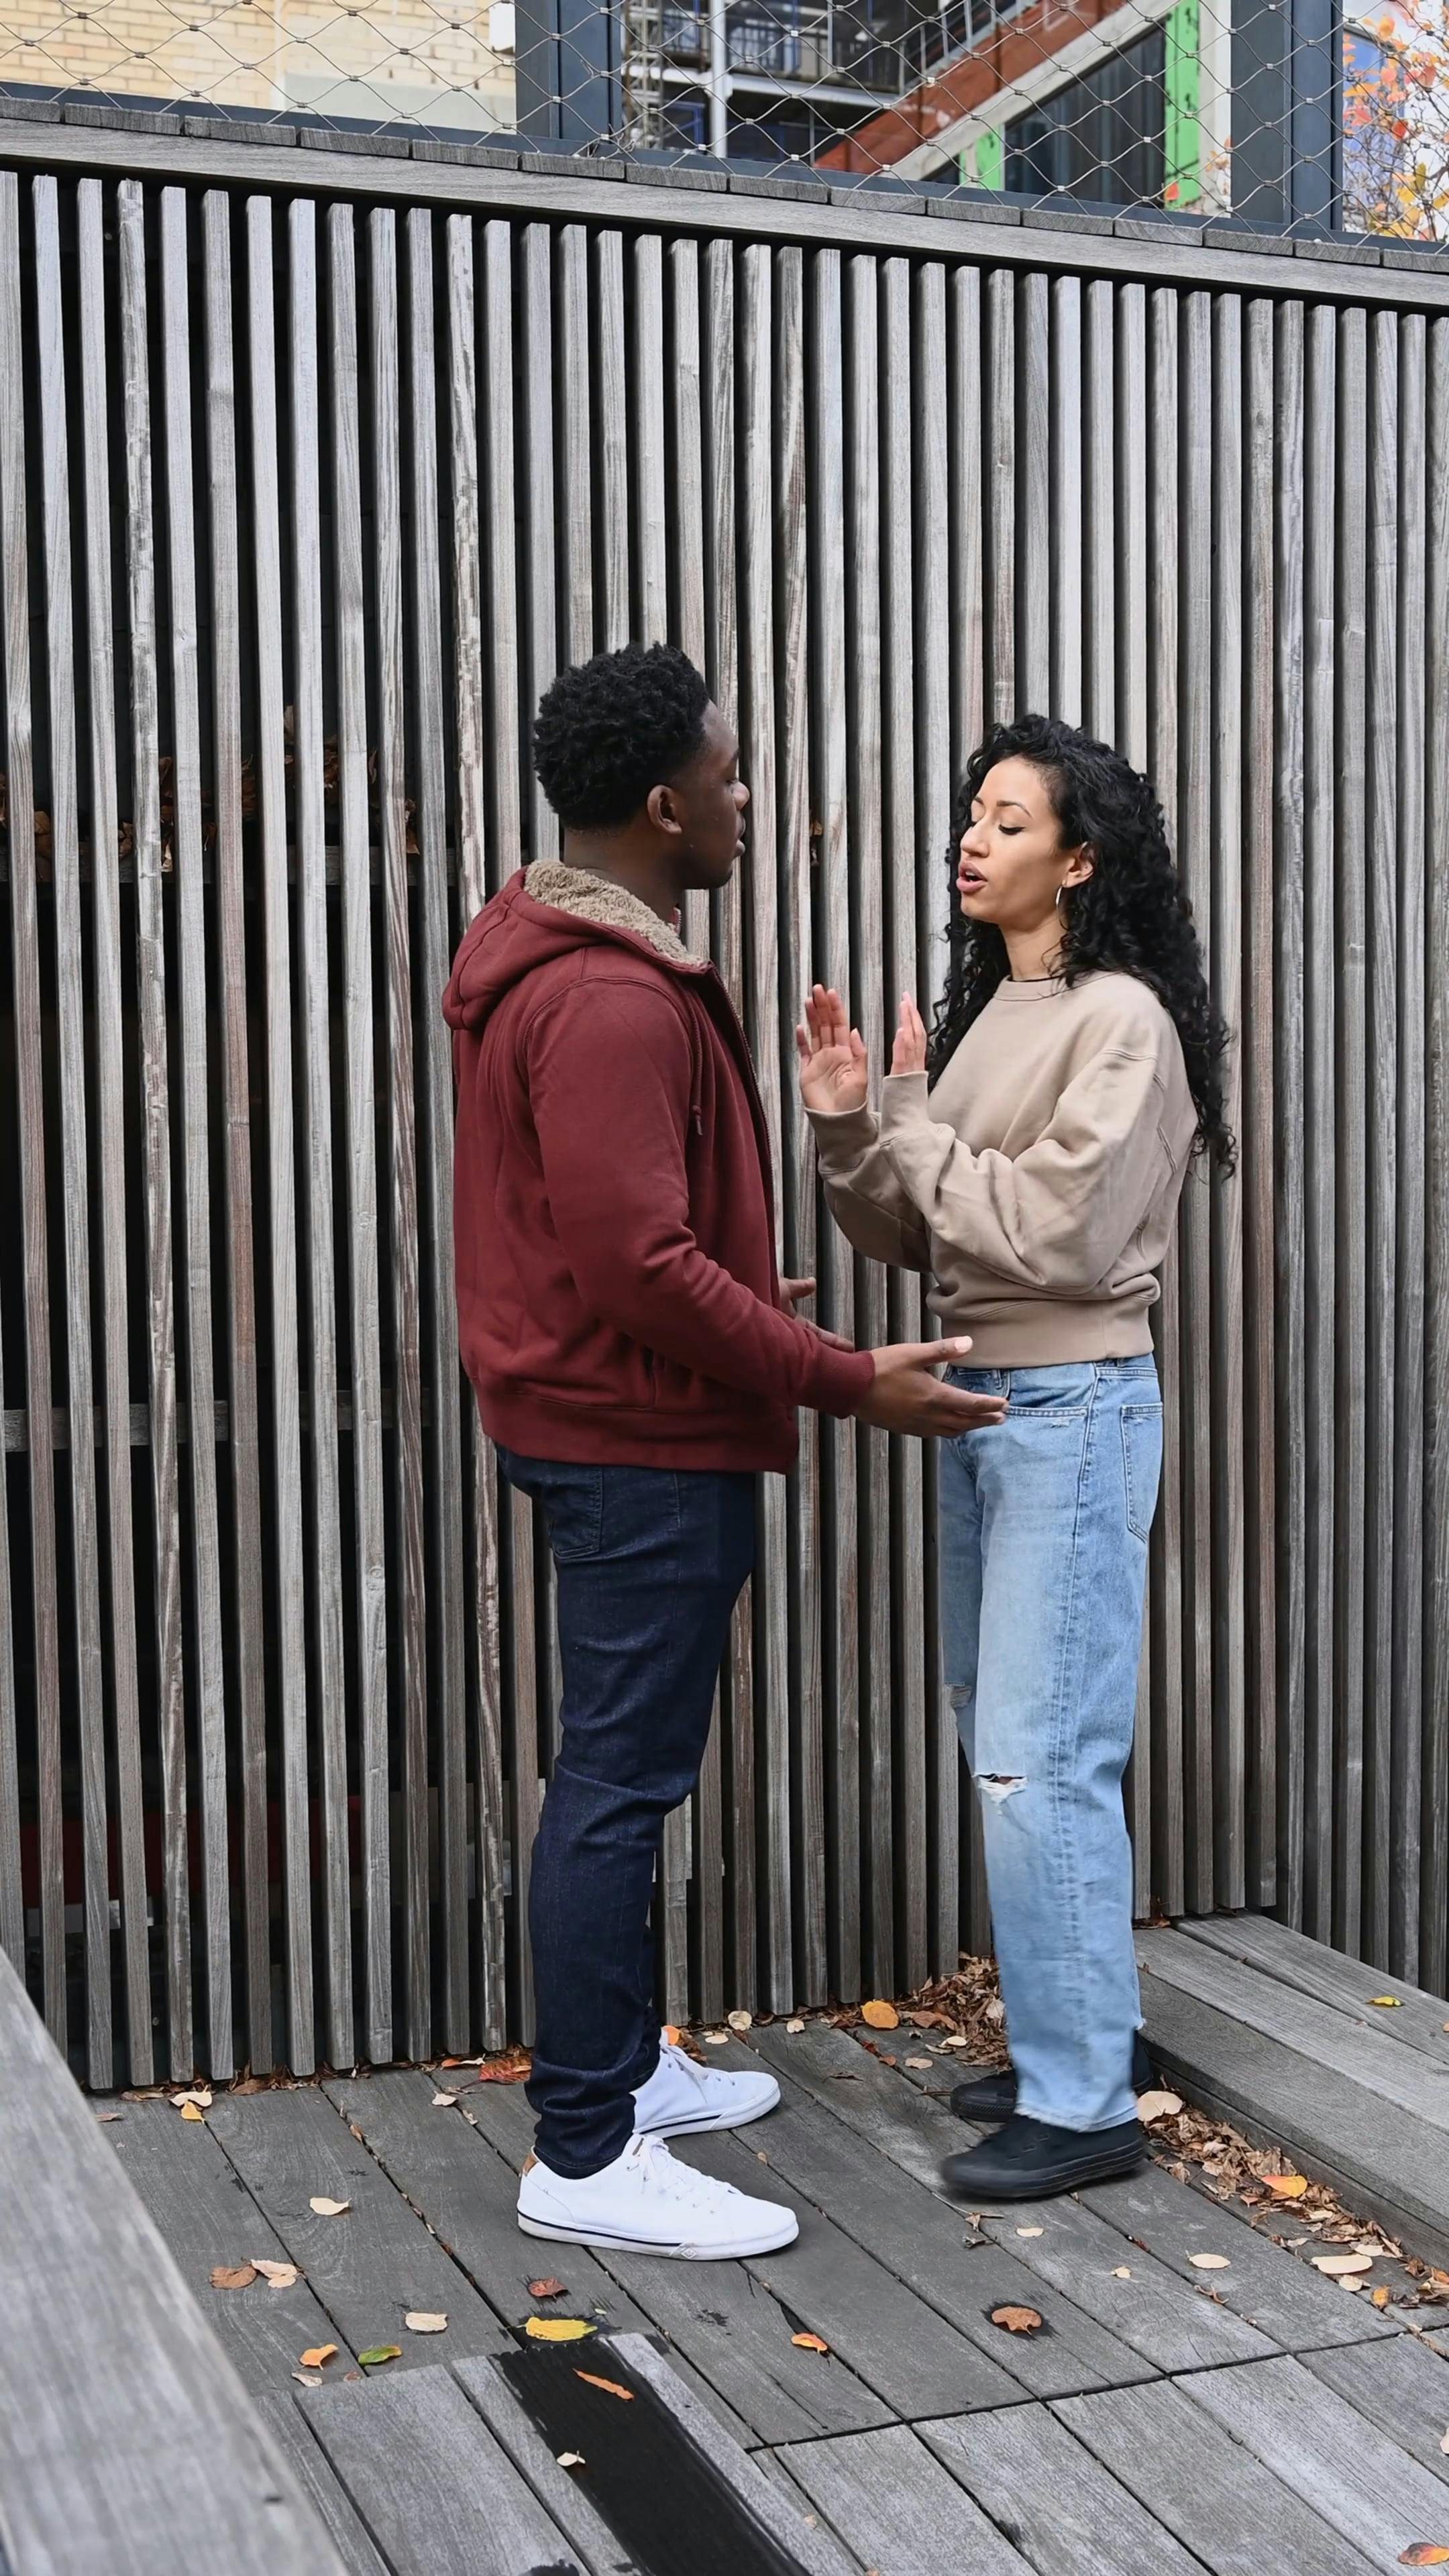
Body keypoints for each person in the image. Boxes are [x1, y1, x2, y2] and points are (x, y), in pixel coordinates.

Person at [444, 641, 1006, 2259]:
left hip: (624, 1418)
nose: (749, 802)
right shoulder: (611, 993)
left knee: (628, 1767)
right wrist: (838, 1374)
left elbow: (609, 1243)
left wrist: (745, 1304)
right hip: (635, 1445)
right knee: (617, 1779)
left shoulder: (558, 958)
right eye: (733, 776)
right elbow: (632, 1263)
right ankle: (582, 2146)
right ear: (664, 800)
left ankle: (623, 2073)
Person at [798, 713, 1232, 2203]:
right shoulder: (990, 1015)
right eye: (969, 817)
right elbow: (922, 1233)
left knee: (1038, 1758)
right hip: (984, 1410)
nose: (971, 839)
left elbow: (1056, 1234)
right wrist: (859, 1127)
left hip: (1074, 1413)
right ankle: (1083, 2035)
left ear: (1081, 855)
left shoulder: (1125, 1021)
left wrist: (911, 1132)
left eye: (1007, 819)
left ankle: (1082, 2101)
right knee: (1023, 1742)